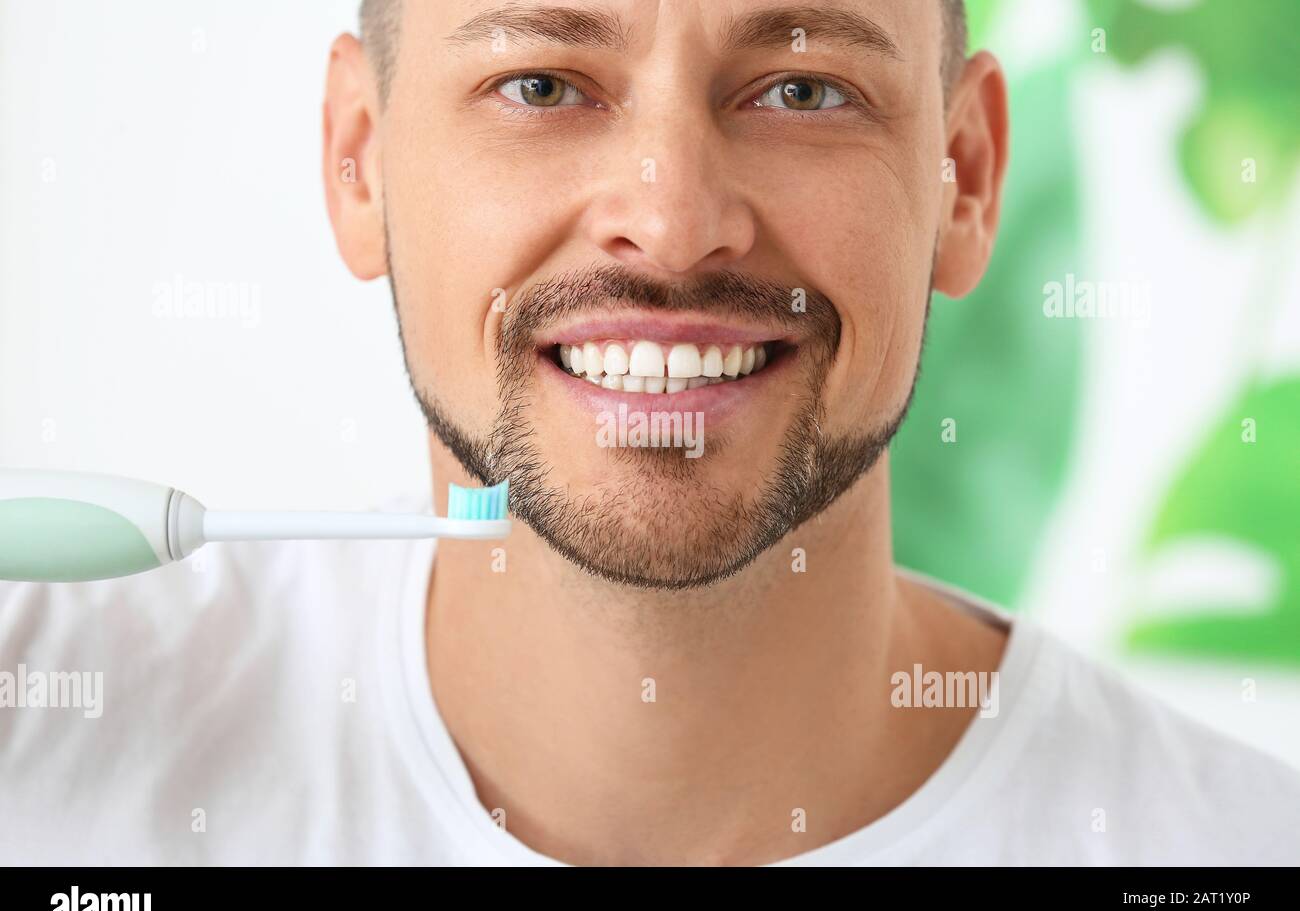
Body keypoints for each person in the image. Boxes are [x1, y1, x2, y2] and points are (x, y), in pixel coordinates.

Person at [2, 0, 1297, 866]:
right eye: (542, 82)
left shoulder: (1230, 854)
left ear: (964, 177)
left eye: (801, 88)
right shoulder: (43, 732)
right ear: (360, 162)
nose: (673, 221)